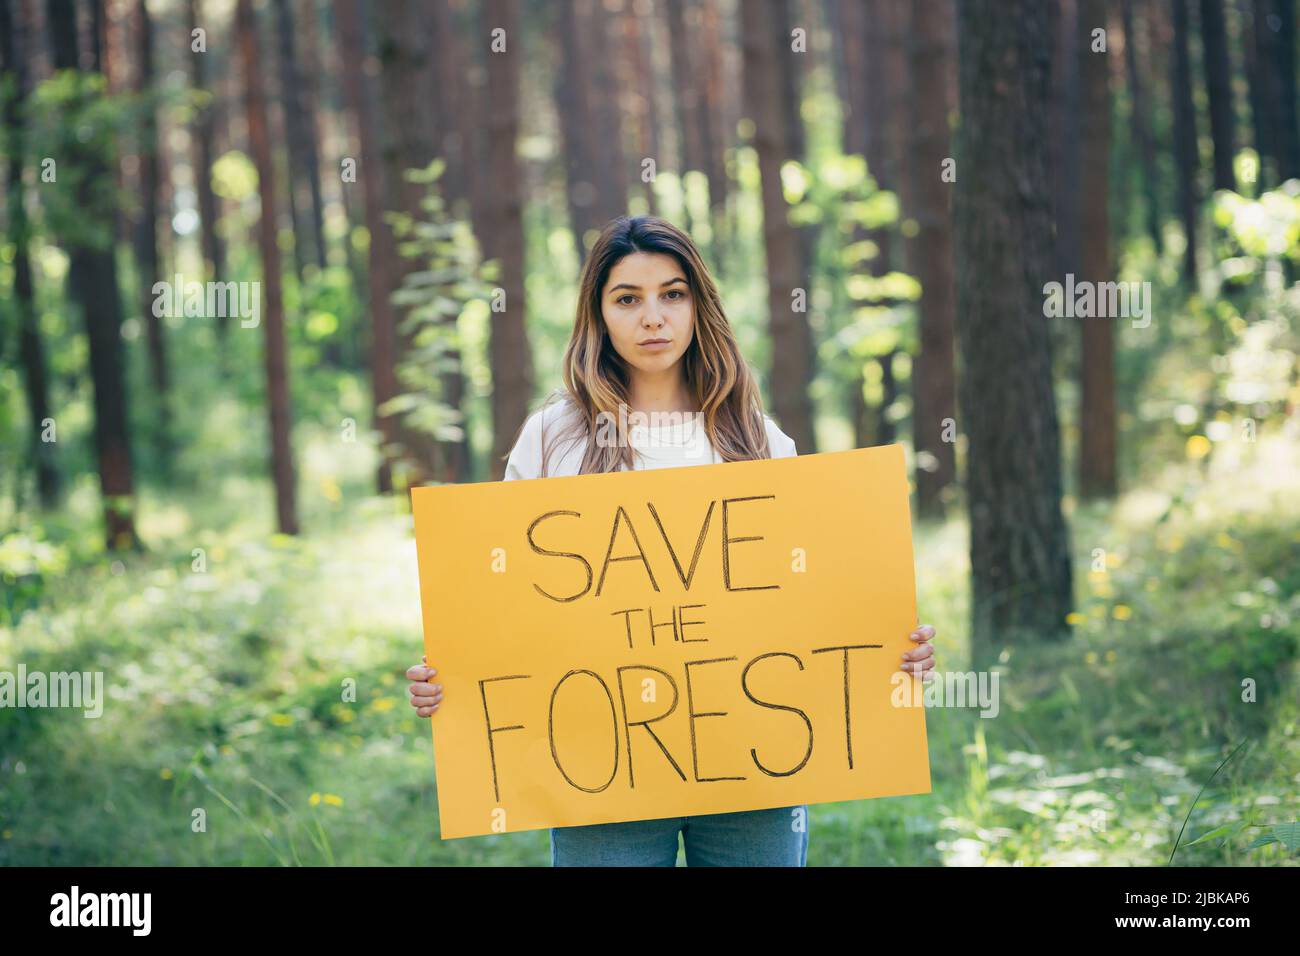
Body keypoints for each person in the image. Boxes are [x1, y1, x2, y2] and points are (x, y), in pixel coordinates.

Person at [406, 214, 937, 866]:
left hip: (756, 761)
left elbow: (817, 600)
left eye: (672, 294)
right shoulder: (551, 439)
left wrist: (892, 648)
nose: (652, 316)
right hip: (599, 767)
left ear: (697, 305)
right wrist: (452, 678)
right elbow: (504, 597)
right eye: (627, 299)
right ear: (598, 315)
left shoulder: (760, 442)